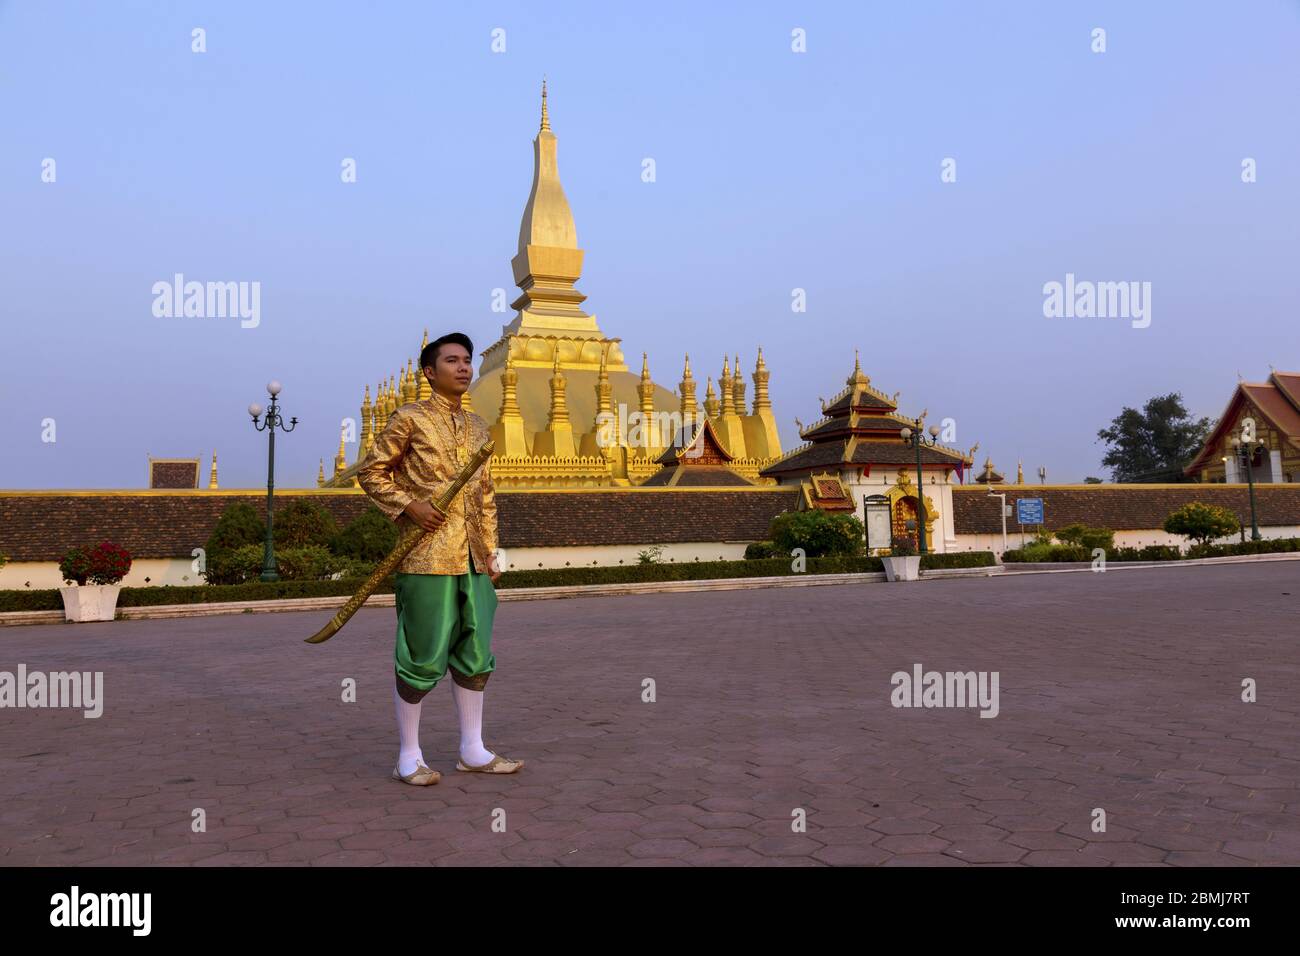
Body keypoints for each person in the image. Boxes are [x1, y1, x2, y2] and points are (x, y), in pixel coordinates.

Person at [357, 331, 523, 785]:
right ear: (430, 372)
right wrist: (408, 505)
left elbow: (485, 495)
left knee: (475, 652)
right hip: (426, 554)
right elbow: (371, 472)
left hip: (471, 555)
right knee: (422, 653)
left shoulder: (478, 428)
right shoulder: (409, 418)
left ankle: (473, 749)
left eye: (468, 360)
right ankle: (408, 756)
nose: (465, 367)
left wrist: (490, 552)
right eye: (452, 360)